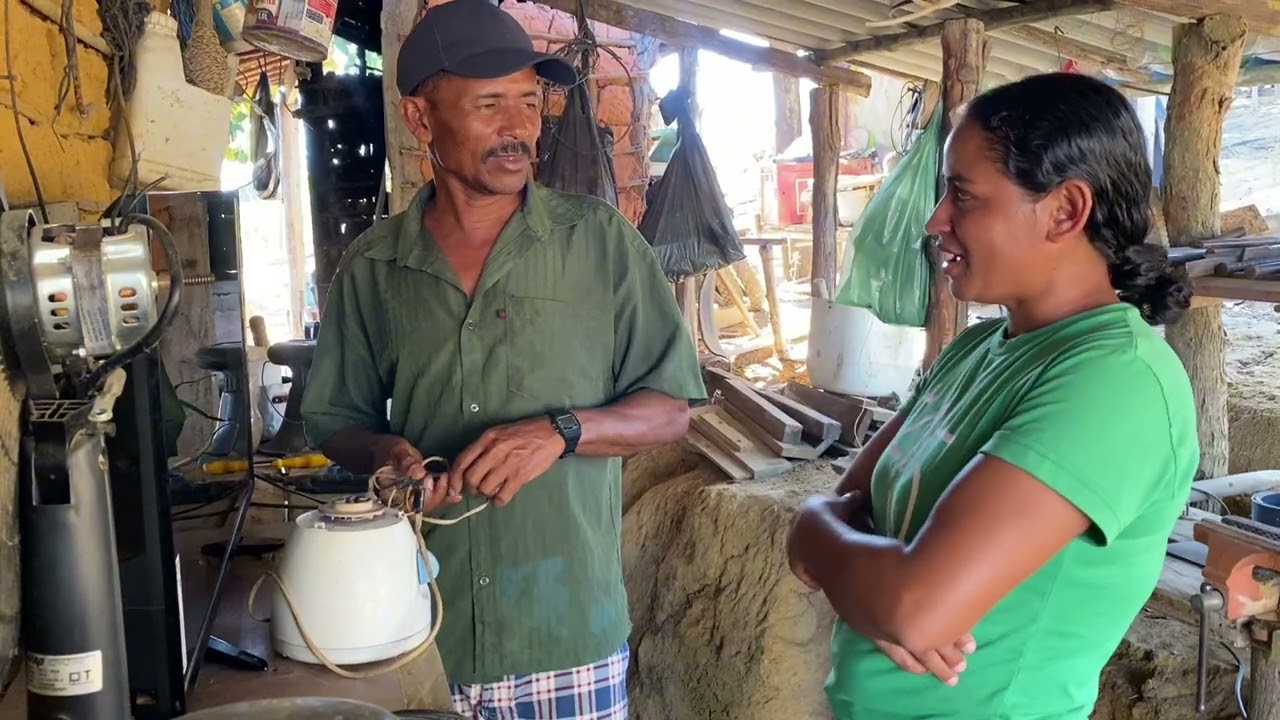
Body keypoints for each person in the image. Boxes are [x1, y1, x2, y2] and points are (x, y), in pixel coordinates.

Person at [299, 1, 706, 717]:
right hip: (421, 630)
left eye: (528, 100)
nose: (519, 127)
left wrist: (561, 431)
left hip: (565, 633)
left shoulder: (601, 244)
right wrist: (389, 452)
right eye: (489, 104)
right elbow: (336, 417)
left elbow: (671, 410)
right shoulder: (374, 267)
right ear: (422, 119)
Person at [786, 71, 1199, 720]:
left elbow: (914, 611)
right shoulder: (976, 352)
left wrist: (840, 550)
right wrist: (827, 533)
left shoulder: (1114, 383)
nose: (935, 220)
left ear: (1065, 210)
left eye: (963, 196)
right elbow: (839, 503)